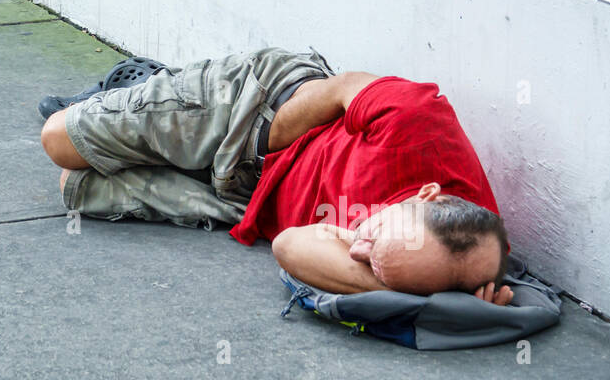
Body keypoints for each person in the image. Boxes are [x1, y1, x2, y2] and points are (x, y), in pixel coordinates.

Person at [39, 47, 514, 305]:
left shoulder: (459, 263)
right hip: (258, 118)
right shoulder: (418, 125)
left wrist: (417, 297)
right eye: (377, 235)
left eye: (371, 264)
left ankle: (140, 114)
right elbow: (343, 88)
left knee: (74, 186)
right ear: (428, 196)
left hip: (248, 205)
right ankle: (140, 82)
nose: (357, 248)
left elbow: (289, 245)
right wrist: (249, 143)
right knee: (58, 139)